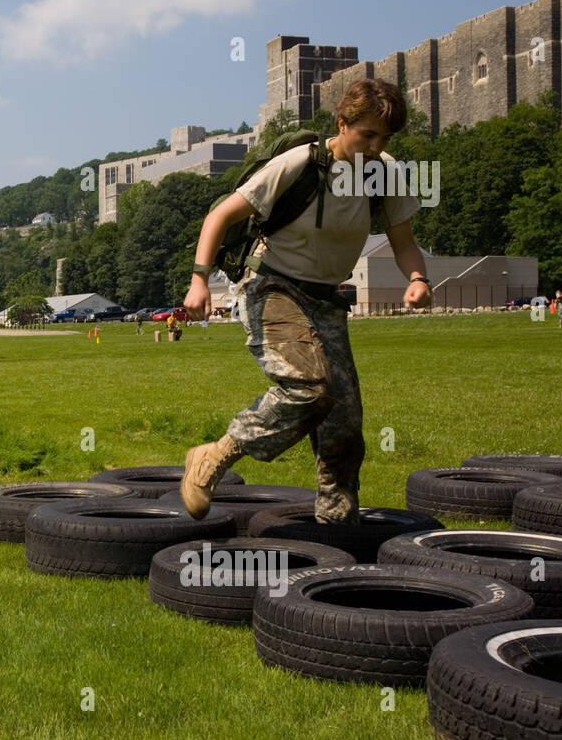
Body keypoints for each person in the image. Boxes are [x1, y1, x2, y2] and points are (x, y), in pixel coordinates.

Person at [179, 78, 431, 525]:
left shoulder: (385, 173)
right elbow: (219, 215)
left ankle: (337, 518)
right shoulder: (300, 164)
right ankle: (214, 455)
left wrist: (416, 277)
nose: (376, 146)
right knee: (309, 388)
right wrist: (199, 281)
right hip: (273, 288)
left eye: (385, 138)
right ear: (342, 124)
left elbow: (403, 239)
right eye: (367, 135)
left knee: (343, 419)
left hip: (325, 299)